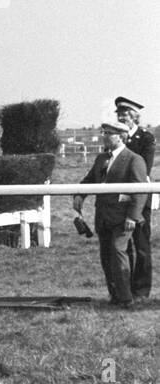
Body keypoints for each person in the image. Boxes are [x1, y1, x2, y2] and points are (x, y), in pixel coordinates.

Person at [74, 120, 148, 307]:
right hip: (103, 218)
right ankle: (115, 296)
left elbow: (140, 190)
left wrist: (132, 216)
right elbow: (89, 180)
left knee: (118, 251)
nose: (104, 136)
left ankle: (126, 299)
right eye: (104, 132)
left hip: (123, 219)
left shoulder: (134, 159)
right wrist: (79, 196)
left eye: (109, 133)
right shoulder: (101, 159)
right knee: (106, 256)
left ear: (121, 136)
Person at [115, 96, 154, 300]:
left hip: (139, 198)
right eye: (119, 115)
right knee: (123, 244)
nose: (121, 118)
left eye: (124, 115)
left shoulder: (146, 138)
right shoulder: (116, 138)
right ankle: (125, 287)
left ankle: (141, 290)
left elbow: (144, 169)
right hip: (120, 200)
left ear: (134, 117)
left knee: (141, 244)